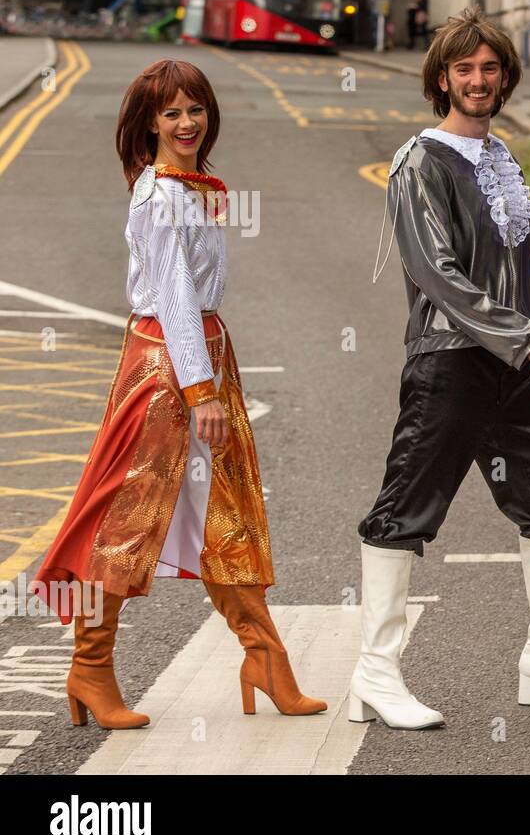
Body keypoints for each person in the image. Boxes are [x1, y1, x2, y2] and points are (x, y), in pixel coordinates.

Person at [31, 59, 325, 729]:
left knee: (230, 512)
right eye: (172, 113)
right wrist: (200, 390)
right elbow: (172, 296)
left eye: (196, 109)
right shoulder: (159, 195)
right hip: (166, 370)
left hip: (207, 358)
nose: (187, 122)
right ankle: (90, 667)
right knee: (127, 521)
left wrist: (212, 379)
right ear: (148, 123)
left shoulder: (192, 188)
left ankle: (266, 660)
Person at [353, 5, 530, 730]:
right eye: (464, 68)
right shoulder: (420, 161)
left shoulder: (501, 156)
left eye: (490, 68)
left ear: (504, 76)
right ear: (441, 78)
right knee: (406, 508)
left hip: (511, 367)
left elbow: (519, 267)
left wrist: (528, 346)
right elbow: (437, 273)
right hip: (450, 362)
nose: (478, 79)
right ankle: (375, 674)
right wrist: (529, 337)